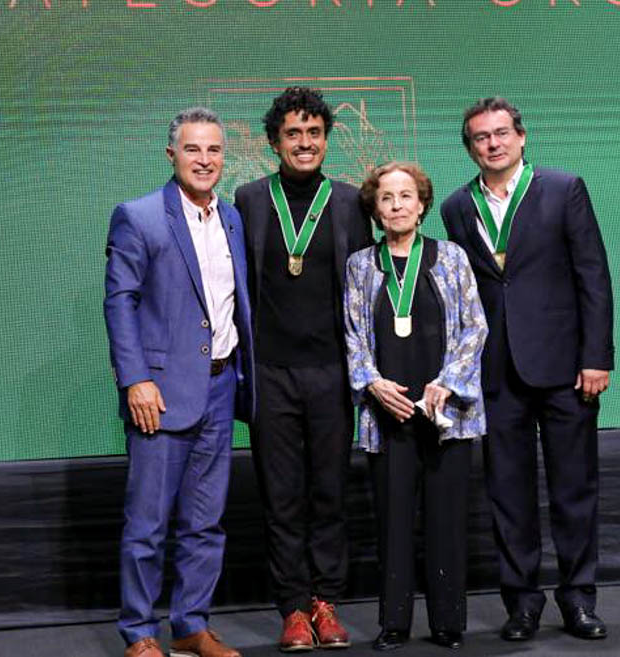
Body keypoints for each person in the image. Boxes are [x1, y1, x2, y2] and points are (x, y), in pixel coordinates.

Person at [439, 98, 615, 642]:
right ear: (470, 147)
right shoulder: (454, 207)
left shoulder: (564, 189)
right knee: (508, 495)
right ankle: (522, 604)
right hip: (496, 374)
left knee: (573, 490)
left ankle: (579, 599)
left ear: (521, 137)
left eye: (500, 134)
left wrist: (596, 357)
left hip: (566, 368)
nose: (492, 144)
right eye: (480, 138)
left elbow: (593, 276)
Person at [104, 107, 255, 657]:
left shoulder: (233, 219)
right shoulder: (139, 217)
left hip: (220, 388)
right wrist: (136, 380)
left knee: (205, 524)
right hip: (161, 394)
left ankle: (191, 625)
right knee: (147, 524)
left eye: (214, 150)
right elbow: (120, 304)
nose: (205, 159)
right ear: (172, 155)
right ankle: (139, 632)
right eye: (193, 149)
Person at [233, 87, 374, 652]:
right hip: (271, 371)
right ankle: (292, 608)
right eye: (294, 133)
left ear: (326, 139)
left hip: (332, 373)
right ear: (275, 141)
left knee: (329, 494)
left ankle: (326, 602)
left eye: (314, 133)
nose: (305, 142)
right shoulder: (247, 200)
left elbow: (366, 290)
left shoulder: (348, 203)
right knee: (282, 495)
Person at [344, 162, 487, 652]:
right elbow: (352, 335)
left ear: (422, 204)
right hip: (388, 414)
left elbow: (475, 327)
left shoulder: (451, 258)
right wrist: (372, 383)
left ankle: (448, 622)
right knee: (393, 521)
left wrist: (448, 383)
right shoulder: (361, 265)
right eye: (387, 198)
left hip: (442, 412)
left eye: (406, 196)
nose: (398, 205)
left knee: (447, 520)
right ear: (376, 208)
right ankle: (394, 622)